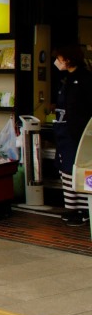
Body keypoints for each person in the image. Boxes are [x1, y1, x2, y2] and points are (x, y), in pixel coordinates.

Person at [51, 45, 92, 226]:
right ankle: (72, 208)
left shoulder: (85, 79)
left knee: (81, 170)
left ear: (67, 59)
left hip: (79, 134)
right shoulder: (66, 79)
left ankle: (85, 209)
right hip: (64, 133)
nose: (57, 62)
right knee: (66, 172)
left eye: (59, 58)